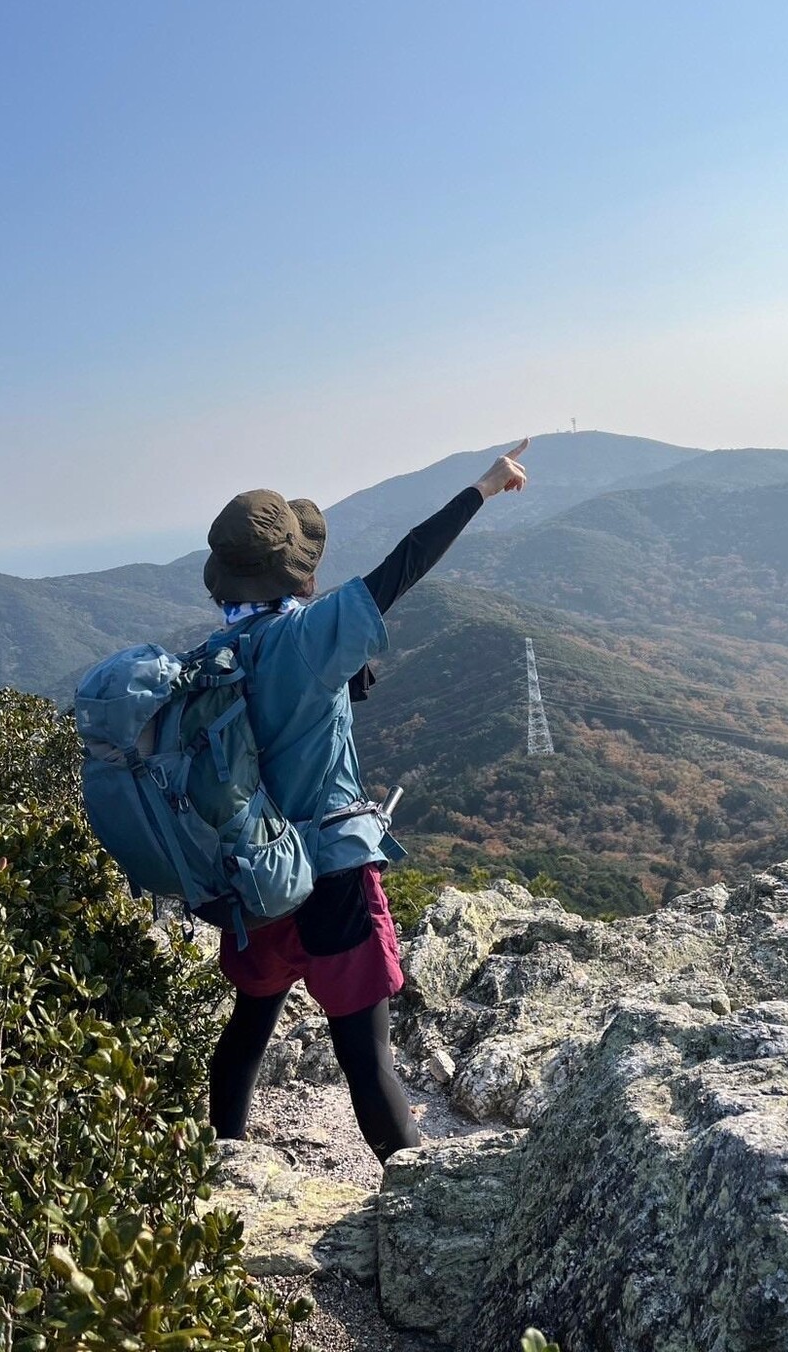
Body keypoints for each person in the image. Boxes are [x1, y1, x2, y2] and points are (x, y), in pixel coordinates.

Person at [205, 438, 530, 1161]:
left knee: (247, 1030)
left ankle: (224, 1166)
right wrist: (483, 486)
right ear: (293, 570)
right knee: (366, 1055)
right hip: (329, 874)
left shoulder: (215, 656)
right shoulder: (308, 634)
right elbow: (404, 565)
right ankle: (414, 1192)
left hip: (254, 879)